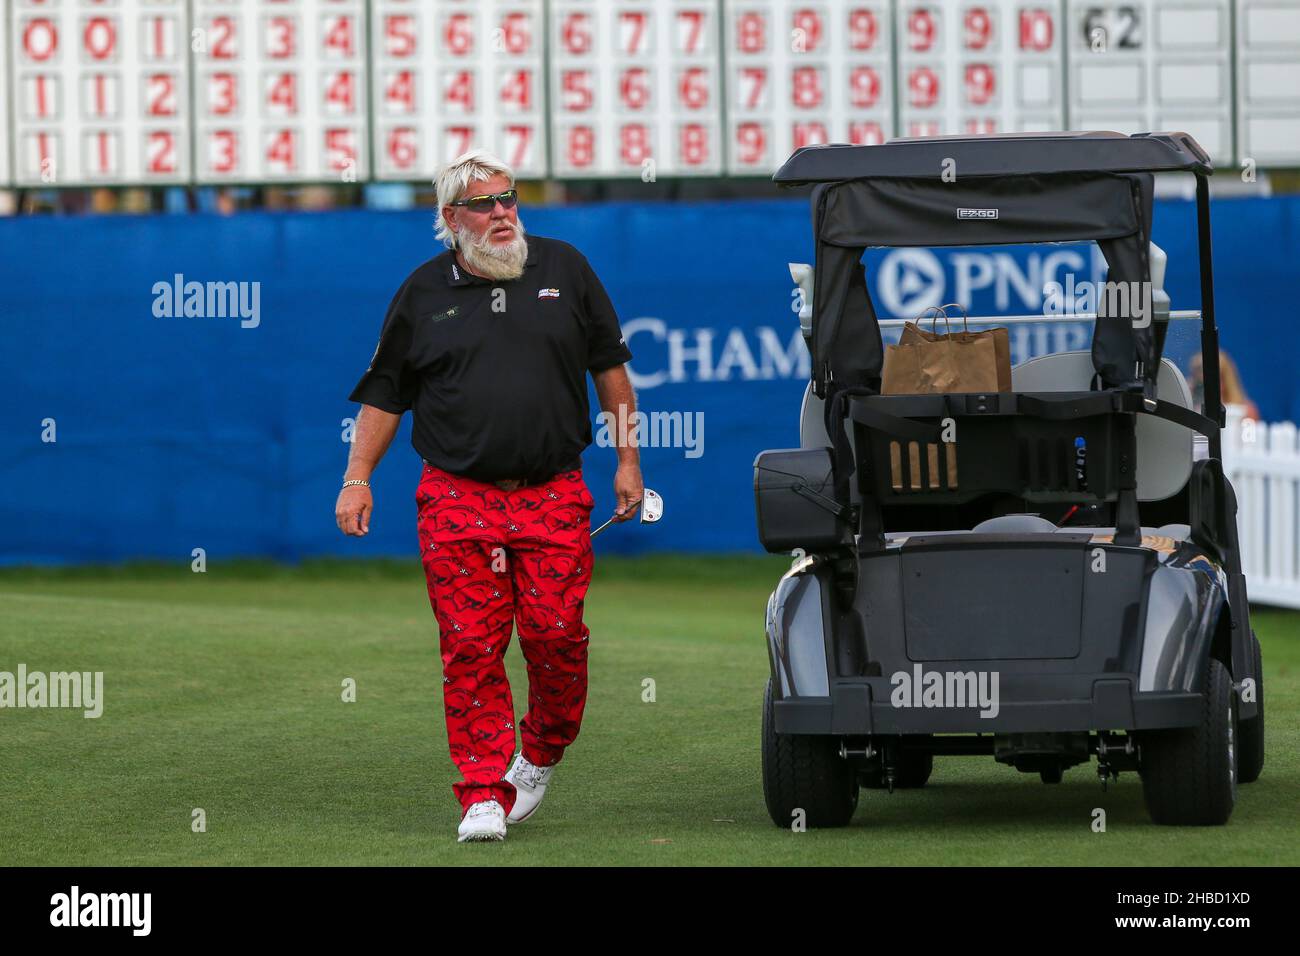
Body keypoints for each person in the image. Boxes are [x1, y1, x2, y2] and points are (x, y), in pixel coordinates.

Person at [335, 148, 642, 842]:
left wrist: (628, 461)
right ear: (451, 219)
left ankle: (538, 750)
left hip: (553, 492)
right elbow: (385, 394)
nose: (504, 213)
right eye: (485, 204)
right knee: (470, 644)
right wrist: (358, 477)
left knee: (555, 635)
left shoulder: (565, 269)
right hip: (457, 496)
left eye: (509, 199)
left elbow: (612, 372)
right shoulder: (422, 293)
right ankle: (480, 788)